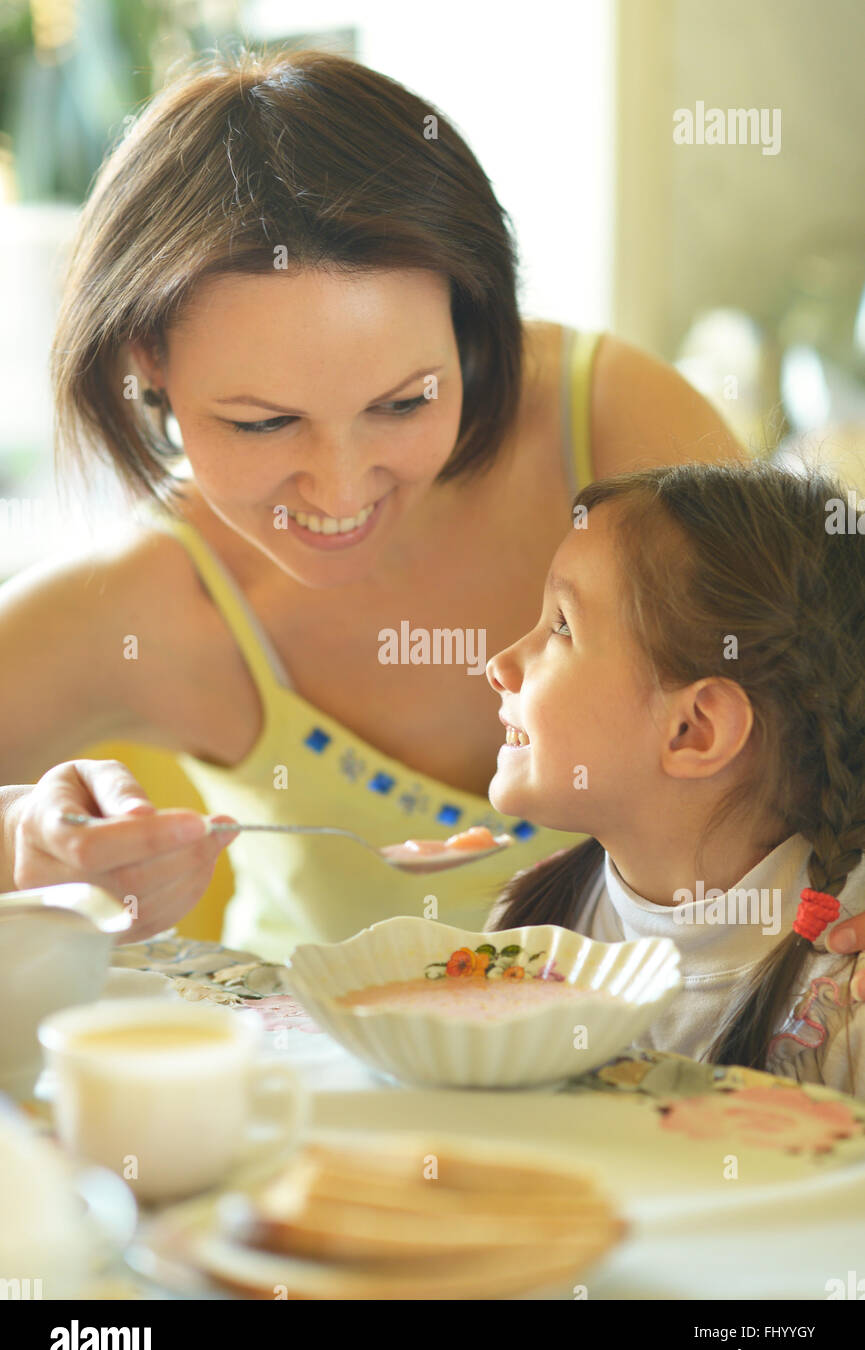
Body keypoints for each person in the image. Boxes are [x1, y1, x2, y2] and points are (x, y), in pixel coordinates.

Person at [3, 46, 863, 979]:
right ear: (147, 362)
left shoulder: (612, 430)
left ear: (468, 323)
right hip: (328, 1104)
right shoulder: (143, 606)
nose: (339, 490)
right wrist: (27, 842)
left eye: (404, 403)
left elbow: (828, 685)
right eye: (264, 422)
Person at [483, 459, 865, 1093]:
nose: (499, 664)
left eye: (561, 627)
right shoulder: (526, 926)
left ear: (696, 730)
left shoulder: (844, 1004)